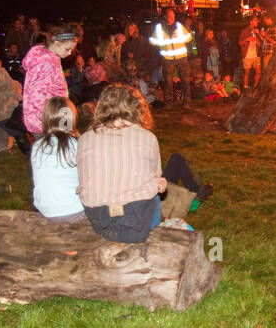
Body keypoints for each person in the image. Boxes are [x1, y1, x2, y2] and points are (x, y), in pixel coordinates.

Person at [77, 84, 210, 242]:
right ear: (136, 107)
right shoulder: (146, 137)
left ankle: (193, 193)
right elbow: (156, 178)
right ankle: (192, 196)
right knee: (162, 181)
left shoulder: (85, 138)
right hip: (138, 224)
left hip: (99, 222)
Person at [31, 97, 84, 222]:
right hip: (74, 209)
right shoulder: (76, 143)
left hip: (46, 210)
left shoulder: (38, 146)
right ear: (71, 117)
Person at [22, 24, 79, 134]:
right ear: (56, 43)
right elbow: (37, 95)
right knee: (54, 148)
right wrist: (44, 122)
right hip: (48, 119)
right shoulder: (46, 64)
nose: (70, 53)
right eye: (67, 49)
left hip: (54, 112)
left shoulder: (49, 56)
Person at [151, 8, 192, 104]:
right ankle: (168, 102)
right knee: (168, 82)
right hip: (167, 59)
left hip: (181, 58)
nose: (172, 18)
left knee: (185, 80)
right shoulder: (159, 28)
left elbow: (188, 39)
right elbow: (153, 42)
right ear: (165, 17)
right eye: (169, 16)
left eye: (173, 16)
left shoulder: (179, 26)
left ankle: (187, 101)